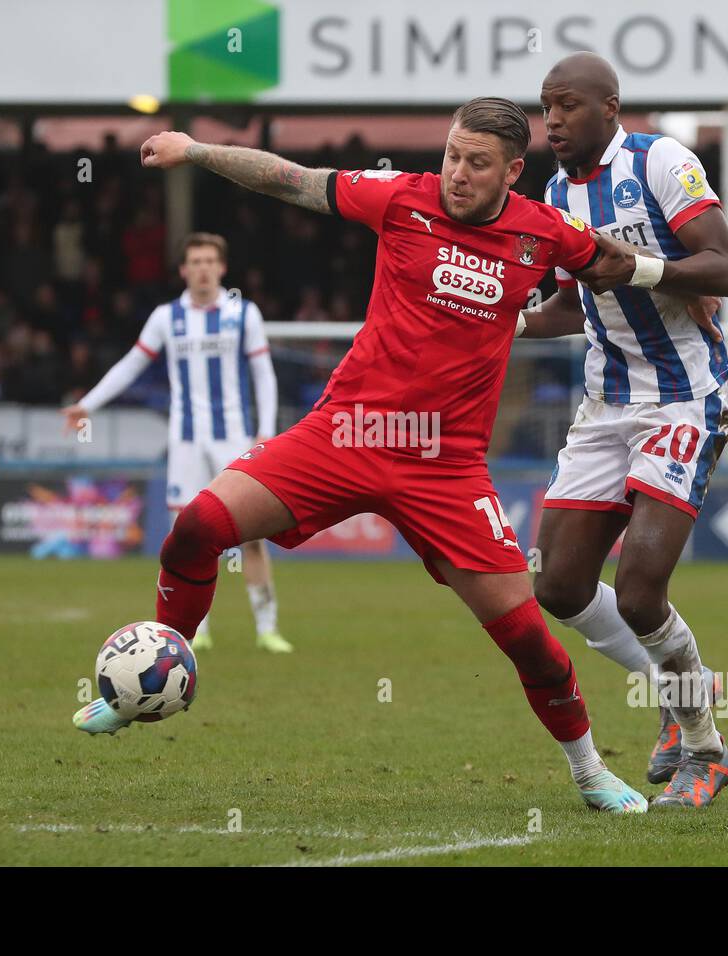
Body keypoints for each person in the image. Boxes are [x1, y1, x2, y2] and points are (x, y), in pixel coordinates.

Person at [75, 96, 668, 815]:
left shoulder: (543, 232)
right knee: (199, 527)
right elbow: (288, 178)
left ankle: (589, 772)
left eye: (477, 163)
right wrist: (198, 151)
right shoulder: (400, 199)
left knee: (529, 640)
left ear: (513, 171)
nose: (457, 173)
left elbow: (609, 262)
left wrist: (678, 287)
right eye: (452, 155)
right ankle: (150, 678)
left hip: (446, 466)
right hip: (346, 434)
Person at [522, 53, 728, 808]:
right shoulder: (554, 193)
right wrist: (498, 318)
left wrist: (643, 268)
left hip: (682, 400)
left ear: (610, 107)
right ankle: (677, 696)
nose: (552, 121)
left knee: (644, 590)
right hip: (605, 405)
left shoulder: (660, 162)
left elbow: (727, 270)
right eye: (545, 108)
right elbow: (568, 306)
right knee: (557, 584)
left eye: (568, 106)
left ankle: (705, 750)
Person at [62, 233, 291, 653]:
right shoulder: (167, 317)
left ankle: (267, 627)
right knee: (185, 538)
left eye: (209, 261)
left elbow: (264, 374)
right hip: (185, 444)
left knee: (252, 536)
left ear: (222, 268)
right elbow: (132, 363)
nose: (203, 268)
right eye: (195, 261)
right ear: (184, 270)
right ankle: (195, 630)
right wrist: (87, 404)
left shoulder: (243, 313)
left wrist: (266, 430)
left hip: (234, 439)